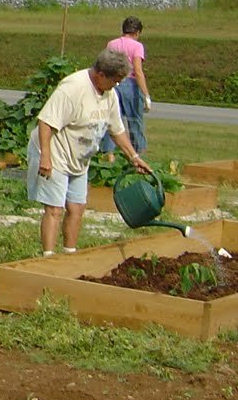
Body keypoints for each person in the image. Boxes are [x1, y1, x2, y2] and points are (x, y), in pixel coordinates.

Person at [28, 47, 152, 256]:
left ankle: (70, 254)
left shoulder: (109, 93)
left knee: (77, 207)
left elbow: (117, 129)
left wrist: (134, 157)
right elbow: (46, 122)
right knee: (54, 209)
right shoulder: (73, 88)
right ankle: (48, 259)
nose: (117, 85)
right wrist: (45, 158)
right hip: (55, 153)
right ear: (100, 74)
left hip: (80, 158)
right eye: (114, 80)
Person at [100, 15, 151, 155]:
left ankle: (108, 155)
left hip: (113, 83)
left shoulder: (112, 44)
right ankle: (138, 153)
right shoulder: (137, 46)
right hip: (130, 84)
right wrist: (146, 94)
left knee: (113, 119)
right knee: (135, 120)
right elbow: (138, 71)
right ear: (137, 33)